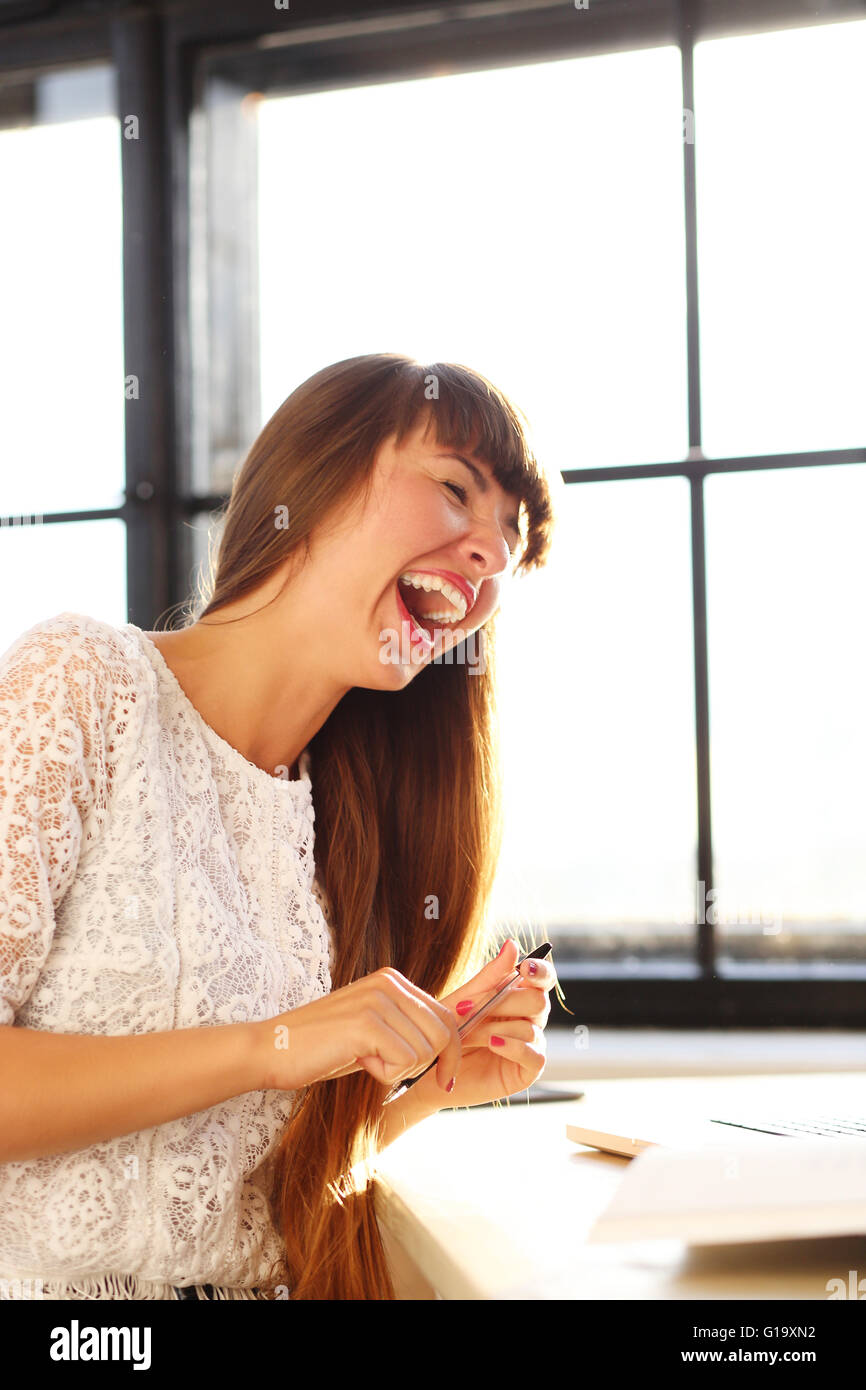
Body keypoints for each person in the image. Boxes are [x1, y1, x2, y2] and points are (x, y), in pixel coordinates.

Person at [0, 353, 561, 1301]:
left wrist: (427, 1090)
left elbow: (244, 1196)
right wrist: (281, 1043)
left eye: (513, 539)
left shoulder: (347, 806)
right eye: (456, 490)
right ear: (319, 473)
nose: (491, 554)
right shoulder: (80, 685)